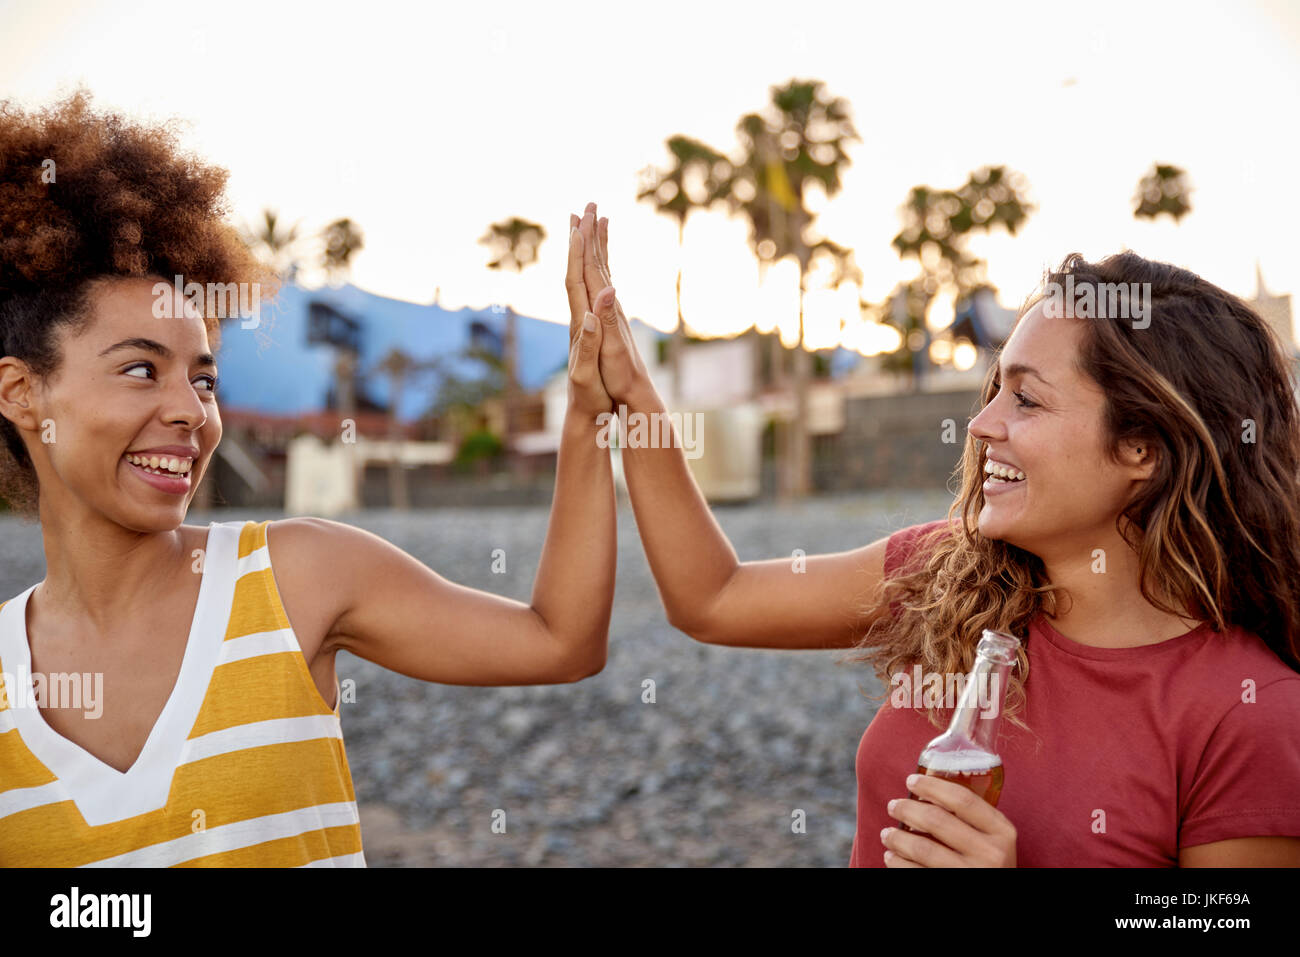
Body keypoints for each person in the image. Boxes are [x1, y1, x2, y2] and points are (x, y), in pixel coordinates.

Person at [570, 201, 1300, 866]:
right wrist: (633, 392)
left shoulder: (1248, 712)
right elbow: (712, 596)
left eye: (1027, 400)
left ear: (1141, 447)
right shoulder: (947, 571)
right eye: (993, 390)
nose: (982, 426)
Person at [0, 89, 618, 867]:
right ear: (22, 393)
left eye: (204, 378)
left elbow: (561, 641)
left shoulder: (297, 579)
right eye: (138, 369)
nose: (189, 411)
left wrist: (589, 411)